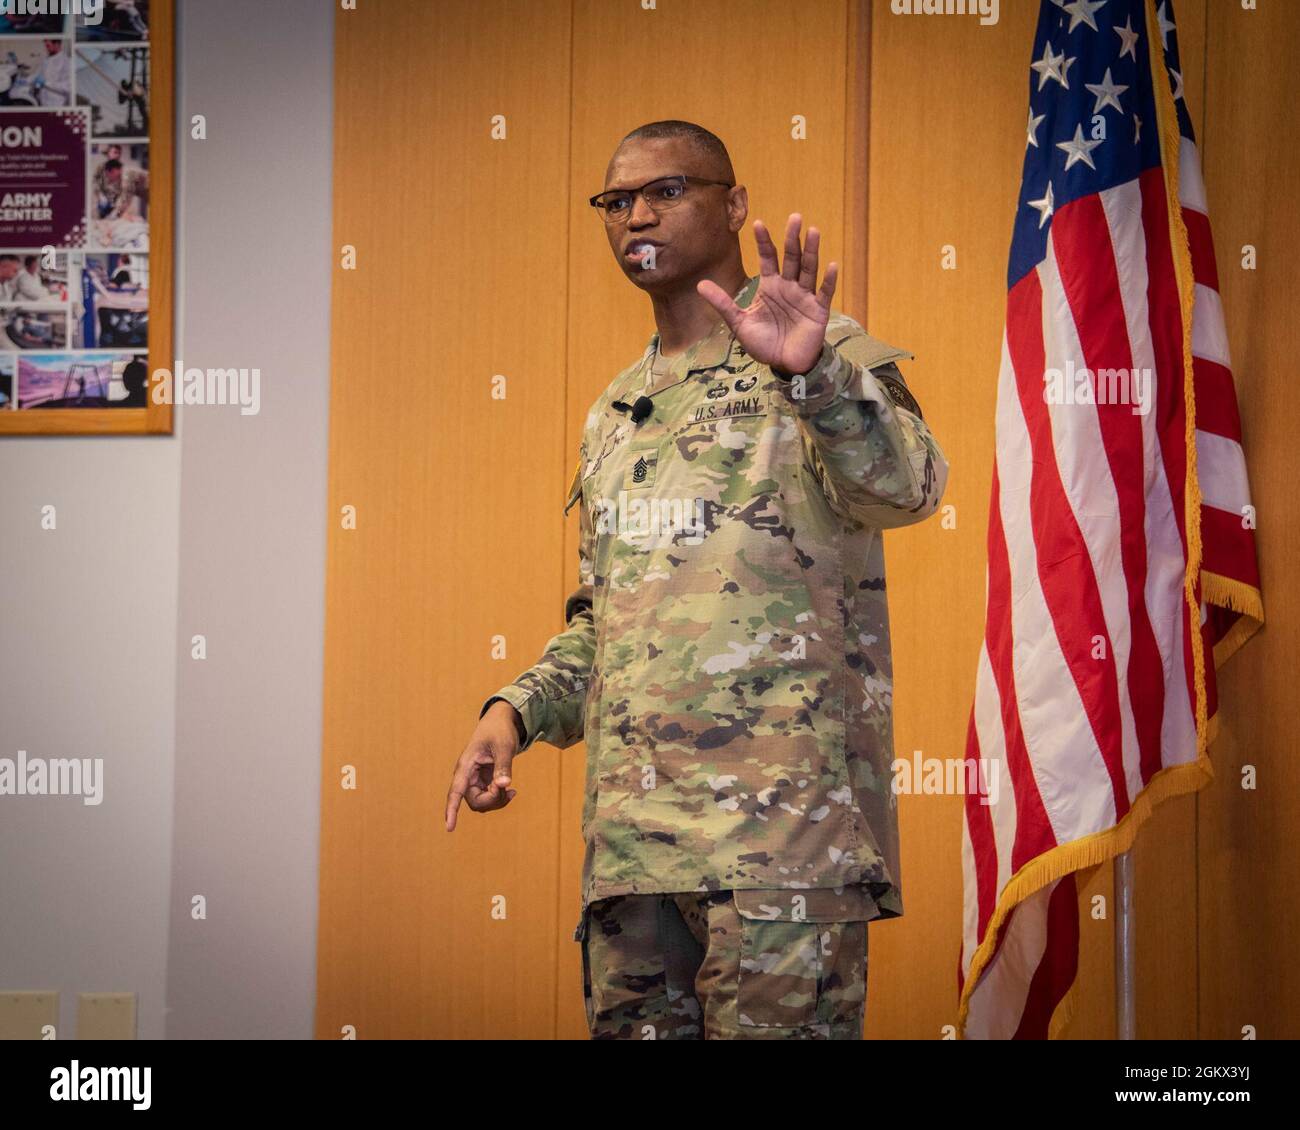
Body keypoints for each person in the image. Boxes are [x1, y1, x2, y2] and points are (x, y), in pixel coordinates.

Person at [445, 120, 949, 1040]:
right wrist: (511, 711)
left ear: (735, 205)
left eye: (668, 190)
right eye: (617, 200)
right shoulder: (614, 409)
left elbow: (909, 490)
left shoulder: (814, 353)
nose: (638, 214)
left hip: (781, 856)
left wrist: (820, 381)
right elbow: (605, 619)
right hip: (635, 864)